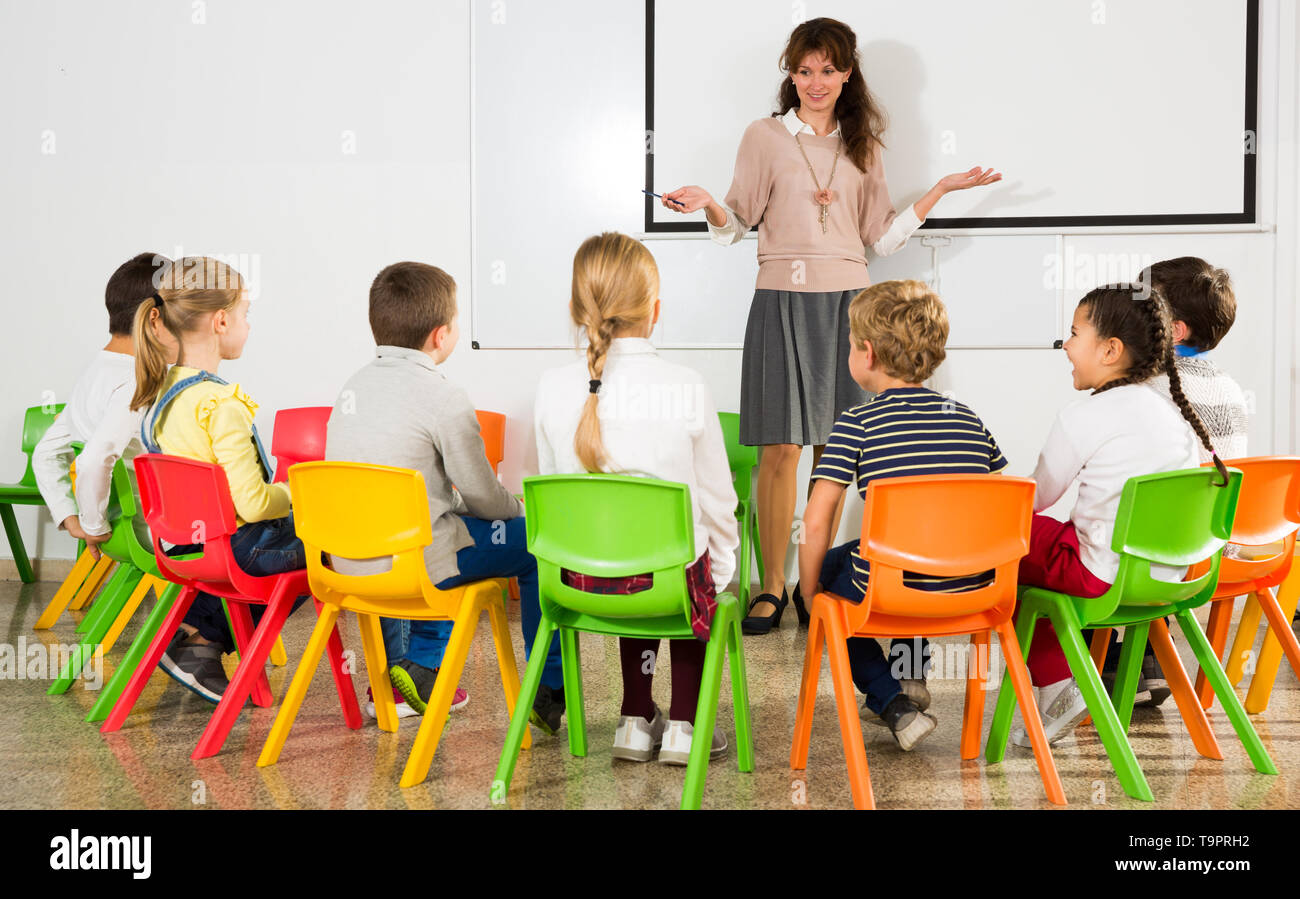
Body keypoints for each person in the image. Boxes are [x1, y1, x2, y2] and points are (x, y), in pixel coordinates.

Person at [662, 17, 1000, 633]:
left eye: (827, 70)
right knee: (779, 448)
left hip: (848, 303)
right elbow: (738, 223)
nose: (814, 82)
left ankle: (813, 586)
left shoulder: (863, 143)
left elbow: (879, 237)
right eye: (803, 70)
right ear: (791, 74)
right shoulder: (764, 136)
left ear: (847, 73)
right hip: (780, 299)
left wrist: (941, 190)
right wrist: (710, 203)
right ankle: (772, 585)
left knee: (836, 451)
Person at [327, 262, 566, 732]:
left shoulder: (351, 389)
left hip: (351, 561)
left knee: (454, 534)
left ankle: (413, 670)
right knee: (537, 544)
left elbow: (426, 493)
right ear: (441, 335)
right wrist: (519, 510)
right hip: (417, 565)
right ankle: (547, 687)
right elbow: (482, 496)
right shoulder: (444, 396)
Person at [534, 232, 739, 764]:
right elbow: (719, 505)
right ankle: (686, 727)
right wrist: (720, 578)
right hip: (669, 590)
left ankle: (634, 715)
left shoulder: (552, 387)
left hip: (579, 590)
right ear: (655, 309)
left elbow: (557, 490)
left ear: (579, 308)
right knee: (681, 563)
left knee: (632, 556)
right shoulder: (686, 384)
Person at [1010, 284, 1229, 747]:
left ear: (1110, 350)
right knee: (1044, 562)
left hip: (1103, 578)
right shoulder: (1174, 413)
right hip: (1171, 576)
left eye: (1073, 333)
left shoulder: (1082, 416)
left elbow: (1032, 501)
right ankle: (1066, 685)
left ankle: (1056, 694)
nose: (1065, 345)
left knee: (1003, 543)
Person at [798, 280, 1007, 750]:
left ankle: (893, 701)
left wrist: (809, 597)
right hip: (974, 583)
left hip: (896, 583)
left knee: (829, 592)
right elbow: (1000, 502)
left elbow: (814, 521)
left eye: (850, 345)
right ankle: (910, 674)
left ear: (866, 353)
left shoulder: (857, 423)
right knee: (885, 554)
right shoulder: (968, 418)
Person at [130, 256, 304, 702]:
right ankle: (407, 673)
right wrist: (296, 492)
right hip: (236, 549)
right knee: (339, 546)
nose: (248, 325)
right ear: (222, 320)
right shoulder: (220, 404)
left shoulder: (161, 399)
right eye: (246, 314)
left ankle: (197, 635)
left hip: (186, 549)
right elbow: (252, 505)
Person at [33, 252, 172, 555]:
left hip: (120, 534)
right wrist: (93, 525)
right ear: (154, 318)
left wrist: (75, 521)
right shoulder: (137, 380)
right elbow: (95, 459)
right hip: (159, 534)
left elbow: (45, 454)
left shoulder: (95, 373)